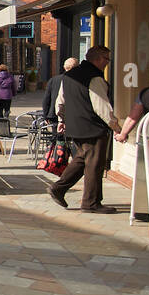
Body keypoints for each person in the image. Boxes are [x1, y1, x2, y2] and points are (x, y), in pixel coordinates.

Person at [51, 45, 120, 214]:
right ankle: (91, 203)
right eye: (107, 59)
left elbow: (60, 101)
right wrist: (116, 126)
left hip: (75, 126)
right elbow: (101, 106)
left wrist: (62, 119)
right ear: (98, 59)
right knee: (94, 165)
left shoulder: (69, 76)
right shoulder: (94, 77)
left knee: (82, 159)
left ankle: (58, 188)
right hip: (92, 127)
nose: (107, 63)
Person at [44, 57, 79, 123]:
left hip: (54, 115)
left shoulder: (54, 79)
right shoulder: (78, 81)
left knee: (56, 132)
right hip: (71, 116)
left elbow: (46, 99)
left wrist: (46, 115)